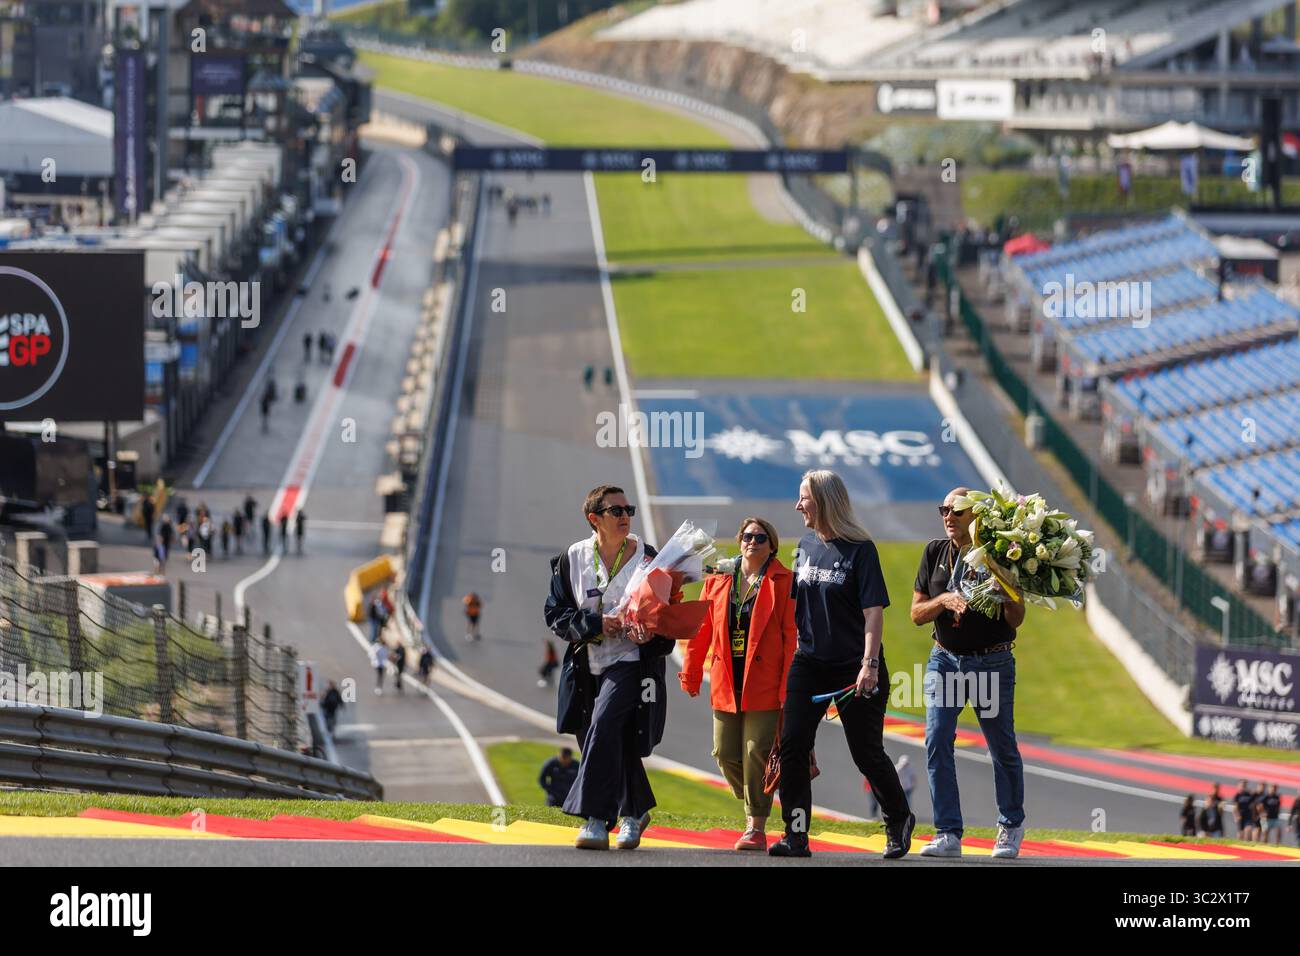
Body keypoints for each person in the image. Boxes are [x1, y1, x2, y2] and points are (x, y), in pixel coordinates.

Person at [771, 470, 914, 860]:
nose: (797, 506)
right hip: (809, 662)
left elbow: (873, 613)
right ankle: (796, 835)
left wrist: (869, 665)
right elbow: (798, 608)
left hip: (855, 667)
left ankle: (898, 818)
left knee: (866, 752)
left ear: (824, 501)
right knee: (793, 745)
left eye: (804, 499)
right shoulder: (804, 546)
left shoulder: (861, 550)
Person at [543, 484, 677, 851]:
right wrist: (596, 624)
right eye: (616, 511)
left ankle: (595, 820)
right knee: (603, 739)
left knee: (604, 724)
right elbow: (555, 615)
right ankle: (634, 814)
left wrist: (648, 632)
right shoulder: (571, 559)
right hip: (585, 666)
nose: (625, 516)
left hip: (632, 662)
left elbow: (668, 619)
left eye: (628, 510)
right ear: (595, 519)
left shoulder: (650, 558)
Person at [912, 486, 1026, 860]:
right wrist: (944, 600)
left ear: (976, 515)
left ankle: (1010, 825)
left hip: (991, 663)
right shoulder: (934, 552)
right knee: (936, 739)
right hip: (945, 660)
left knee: (1000, 746)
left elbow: (1016, 619)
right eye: (943, 509)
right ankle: (948, 833)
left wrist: (1007, 590)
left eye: (957, 510)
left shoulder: (998, 554)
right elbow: (916, 614)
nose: (948, 516)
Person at [680, 517, 796, 851]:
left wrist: (787, 688)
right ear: (739, 540)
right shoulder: (718, 578)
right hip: (726, 679)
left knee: (756, 751)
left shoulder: (784, 581)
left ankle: (755, 826)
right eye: (747, 536)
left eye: (760, 538)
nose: (752, 542)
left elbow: (791, 638)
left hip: (765, 683)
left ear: (772, 545)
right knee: (725, 752)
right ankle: (755, 796)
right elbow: (701, 629)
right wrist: (690, 672)